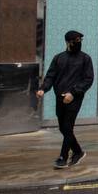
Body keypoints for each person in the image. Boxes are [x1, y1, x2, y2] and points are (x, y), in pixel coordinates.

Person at [37, 30, 94, 169]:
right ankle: (78, 151)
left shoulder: (85, 59)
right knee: (63, 128)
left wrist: (73, 93)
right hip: (60, 97)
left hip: (74, 98)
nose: (78, 44)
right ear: (68, 43)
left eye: (80, 41)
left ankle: (63, 157)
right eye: (76, 42)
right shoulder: (58, 58)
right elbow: (51, 76)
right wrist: (43, 88)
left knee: (68, 126)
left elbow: (88, 79)